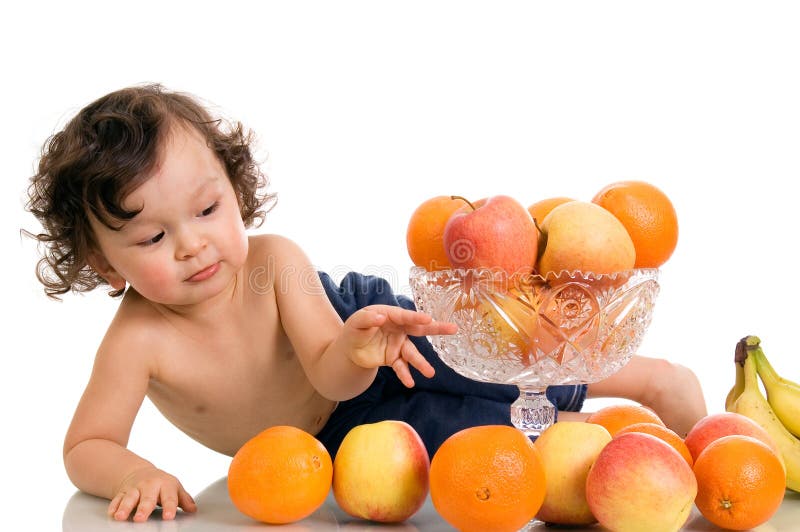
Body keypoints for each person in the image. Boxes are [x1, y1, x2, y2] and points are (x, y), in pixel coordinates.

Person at [25, 84, 707, 523]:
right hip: (331, 445)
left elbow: (328, 365)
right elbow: (87, 445)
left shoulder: (273, 262)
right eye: (152, 235)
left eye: (208, 208)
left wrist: (357, 346)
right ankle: (606, 442)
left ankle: (648, 377)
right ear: (102, 262)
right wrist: (137, 471)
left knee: (483, 359)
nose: (192, 246)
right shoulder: (136, 343)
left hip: (362, 337)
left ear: (234, 189)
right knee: (473, 442)